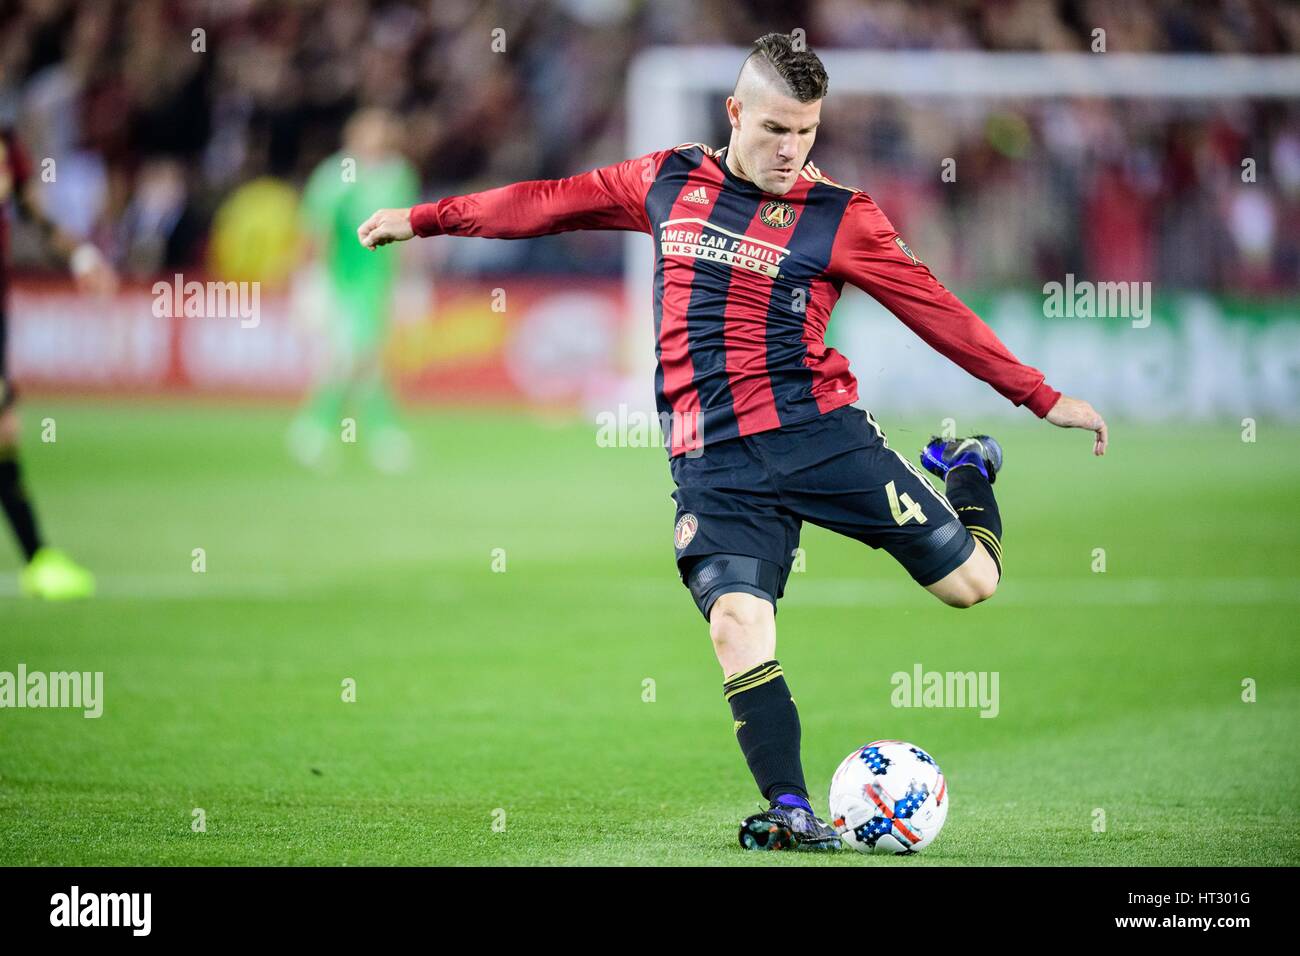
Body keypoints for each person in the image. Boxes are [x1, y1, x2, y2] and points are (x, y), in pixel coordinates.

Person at [355, 34, 1108, 852]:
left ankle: (964, 467)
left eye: (808, 132)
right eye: (776, 129)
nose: (792, 151)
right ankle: (790, 808)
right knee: (737, 627)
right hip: (712, 463)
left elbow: (937, 311)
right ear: (736, 112)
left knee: (973, 584)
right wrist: (422, 220)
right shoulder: (666, 179)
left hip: (821, 438)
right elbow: (546, 201)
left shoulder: (842, 217)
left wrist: (1040, 396)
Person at [0, 126, 115, 600]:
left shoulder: (7, 141)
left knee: (5, 433)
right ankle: (37, 557)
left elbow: (31, 210)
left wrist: (83, 255)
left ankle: (38, 559)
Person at [291, 108, 420, 473]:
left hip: (379, 286)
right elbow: (316, 231)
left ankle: (318, 430)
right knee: (358, 359)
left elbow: (410, 231)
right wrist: (311, 280)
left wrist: (412, 281)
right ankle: (375, 435)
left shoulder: (398, 174)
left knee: (359, 361)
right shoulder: (335, 176)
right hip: (343, 283)